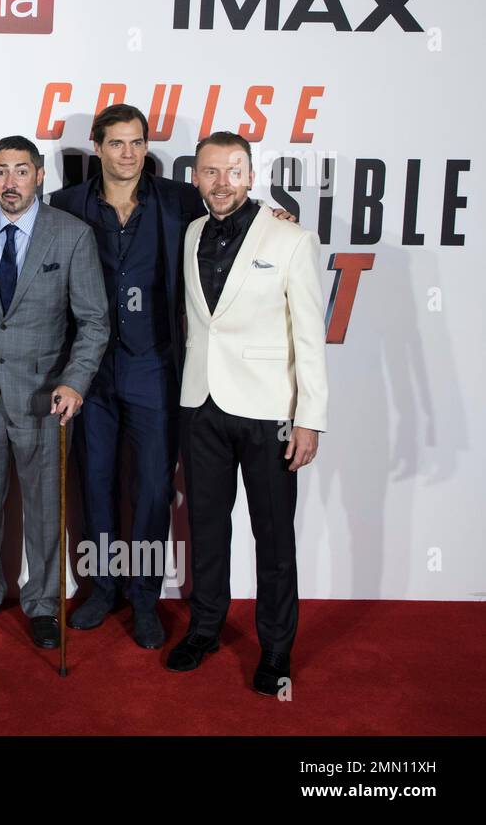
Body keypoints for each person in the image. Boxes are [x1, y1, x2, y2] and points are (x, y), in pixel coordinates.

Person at [51, 103, 295, 648]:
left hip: (155, 367)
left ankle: (143, 597)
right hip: (89, 370)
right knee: (95, 483)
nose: (129, 153)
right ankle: (102, 588)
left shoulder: (180, 201)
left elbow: (234, 212)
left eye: (138, 142)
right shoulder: (65, 207)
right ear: (96, 147)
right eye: (117, 143)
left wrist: (276, 214)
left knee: (157, 488)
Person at [165, 131, 327, 696]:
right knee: (206, 528)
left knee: (274, 537)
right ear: (196, 179)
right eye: (210, 172)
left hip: (268, 412)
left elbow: (310, 337)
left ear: (251, 175)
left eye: (233, 172)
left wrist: (309, 417)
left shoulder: (292, 239)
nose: (221, 183)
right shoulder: (189, 234)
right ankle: (205, 628)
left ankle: (276, 649)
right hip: (201, 405)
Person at [0, 136, 109, 649]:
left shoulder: (72, 235)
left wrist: (74, 380)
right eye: (0, 171)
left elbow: (94, 322)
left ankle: (43, 602)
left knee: (44, 508)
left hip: (45, 396)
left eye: (21, 171)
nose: (10, 182)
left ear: (40, 176)